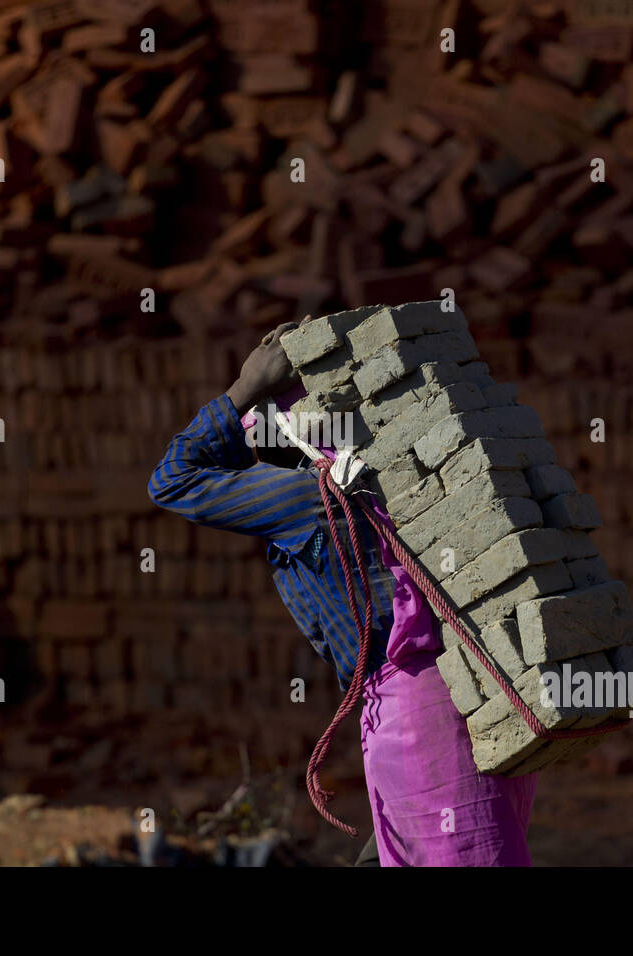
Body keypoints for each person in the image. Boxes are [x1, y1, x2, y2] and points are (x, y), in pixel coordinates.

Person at [148, 317, 538, 866]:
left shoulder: (310, 501)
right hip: (481, 694)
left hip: (419, 723)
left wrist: (246, 386)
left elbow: (174, 479)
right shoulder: (407, 480)